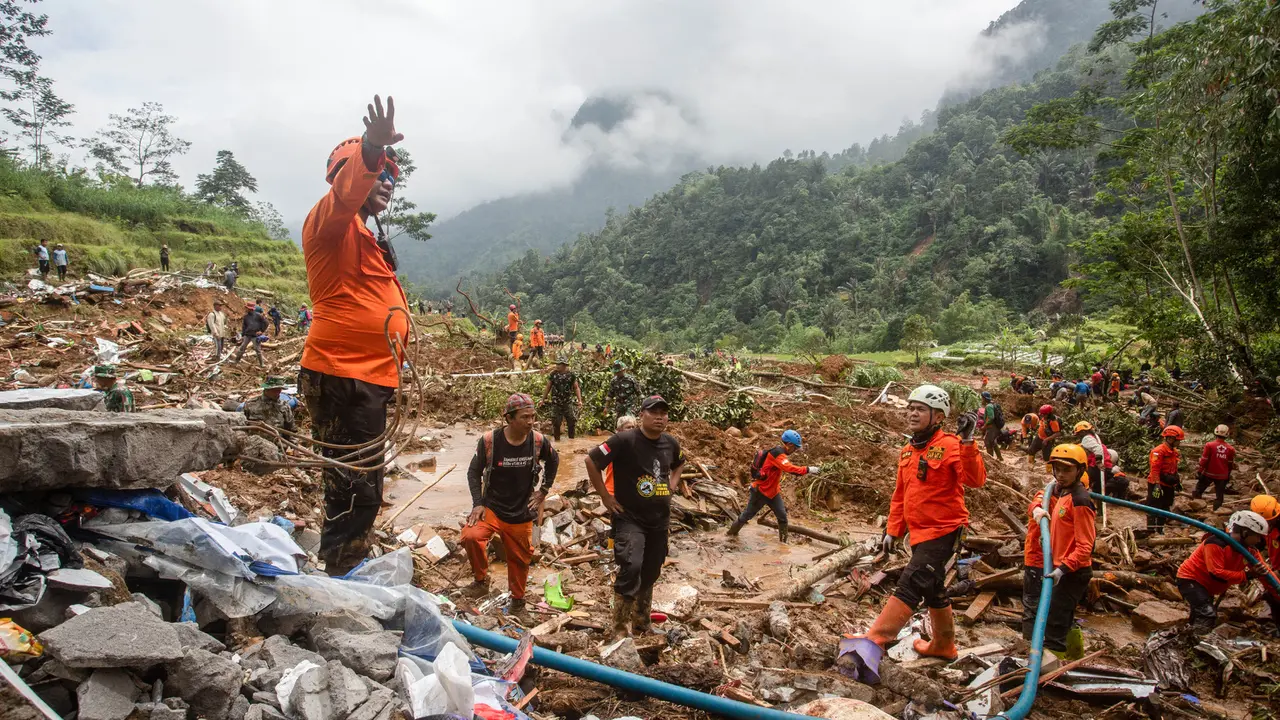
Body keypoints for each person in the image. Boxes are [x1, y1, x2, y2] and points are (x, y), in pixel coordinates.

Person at [298, 95, 410, 574]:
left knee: (361, 481)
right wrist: (370, 149)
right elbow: (347, 191)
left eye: (389, 176)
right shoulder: (329, 223)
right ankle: (342, 575)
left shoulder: (366, 235)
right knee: (353, 485)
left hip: (368, 377)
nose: (385, 182)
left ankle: (345, 564)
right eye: (377, 174)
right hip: (344, 374)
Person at [854, 385, 985, 667]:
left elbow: (975, 480)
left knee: (912, 582)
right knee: (934, 588)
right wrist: (893, 529)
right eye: (911, 408)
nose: (913, 413)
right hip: (919, 534)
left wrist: (968, 441)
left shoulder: (951, 445)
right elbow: (900, 495)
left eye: (920, 409)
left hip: (944, 531)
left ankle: (874, 639)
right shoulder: (907, 452)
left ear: (937, 416)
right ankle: (943, 645)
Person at [586, 395, 687, 638]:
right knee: (631, 566)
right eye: (654, 413)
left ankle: (642, 624)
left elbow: (680, 463)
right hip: (629, 517)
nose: (660, 418)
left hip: (659, 520)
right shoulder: (624, 440)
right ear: (642, 414)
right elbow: (591, 460)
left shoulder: (670, 443)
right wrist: (605, 497)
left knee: (651, 570)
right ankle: (619, 628)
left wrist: (672, 484)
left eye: (664, 413)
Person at [461, 393, 559, 618]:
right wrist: (477, 504)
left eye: (533, 416)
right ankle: (480, 581)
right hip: (493, 507)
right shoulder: (490, 441)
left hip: (523, 511)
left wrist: (543, 491)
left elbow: (554, 460)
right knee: (471, 536)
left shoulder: (538, 441)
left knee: (520, 558)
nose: (531, 421)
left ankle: (517, 602)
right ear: (509, 419)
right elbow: (473, 472)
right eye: (525, 417)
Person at [1022, 444, 1096, 661]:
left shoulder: (1080, 500)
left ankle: (1051, 671)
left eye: (1067, 470)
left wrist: (1063, 569)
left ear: (1080, 471)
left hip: (1072, 571)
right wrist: (1036, 509)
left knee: (1055, 623)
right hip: (1061, 567)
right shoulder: (1062, 492)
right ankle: (1075, 658)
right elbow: (1038, 499)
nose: (1061, 475)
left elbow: (1085, 546)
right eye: (1058, 469)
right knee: (1064, 616)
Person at [1176, 510, 1269, 633]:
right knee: (1207, 614)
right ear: (1245, 532)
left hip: (1209, 587)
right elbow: (1216, 573)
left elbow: (1265, 572)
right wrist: (1247, 575)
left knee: (1200, 613)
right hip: (1191, 580)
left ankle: (1188, 637)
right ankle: (1197, 645)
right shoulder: (1216, 543)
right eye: (1256, 536)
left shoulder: (1251, 551)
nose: (1258, 540)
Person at [727, 429, 818, 543]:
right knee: (746, 516)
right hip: (760, 492)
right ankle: (730, 536)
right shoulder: (777, 454)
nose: (795, 450)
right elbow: (789, 468)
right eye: (795, 448)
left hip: (773, 493)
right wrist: (809, 469)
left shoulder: (781, 453)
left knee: (782, 517)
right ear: (789, 445)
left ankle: (783, 543)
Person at [1145, 425, 1184, 534]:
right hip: (1157, 484)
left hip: (1168, 484)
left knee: (1165, 506)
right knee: (1153, 506)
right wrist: (1157, 485)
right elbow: (1155, 469)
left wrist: (1177, 482)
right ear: (1170, 439)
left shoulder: (1174, 452)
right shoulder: (1159, 451)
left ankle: (1160, 529)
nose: (1179, 443)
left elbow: (1174, 468)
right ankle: (1151, 530)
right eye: (1178, 440)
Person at [1250, 495, 1280, 636]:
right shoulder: (1266, 527)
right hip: (1277, 565)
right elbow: (1259, 542)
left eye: (1269, 521)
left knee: (1274, 594)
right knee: (1272, 595)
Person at [1193, 424, 1237, 510]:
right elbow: (1230, 463)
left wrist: (1200, 471)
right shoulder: (1230, 449)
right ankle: (1216, 512)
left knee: (1198, 490)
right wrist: (1228, 474)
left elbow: (1204, 460)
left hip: (1208, 473)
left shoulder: (1209, 445)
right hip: (1222, 475)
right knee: (1219, 495)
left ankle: (1195, 507)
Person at [541, 355, 582, 441]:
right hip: (556, 403)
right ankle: (557, 441)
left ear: (564, 365)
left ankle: (572, 441)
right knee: (556, 423)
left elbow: (576, 387)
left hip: (568, 402)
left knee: (571, 422)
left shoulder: (571, 375)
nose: (557, 366)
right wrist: (542, 399)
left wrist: (579, 400)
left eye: (559, 364)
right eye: (556, 364)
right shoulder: (553, 374)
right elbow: (548, 387)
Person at [601, 415, 637, 497]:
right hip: (613, 491)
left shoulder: (637, 444)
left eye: (633, 427)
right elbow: (592, 460)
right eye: (628, 427)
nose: (631, 430)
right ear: (619, 430)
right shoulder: (611, 444)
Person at [1073, 421, 1110, 492]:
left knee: (1083, 479)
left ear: (1083, 432)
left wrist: (1098, 462)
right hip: (1105, 465)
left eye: (1078, 434)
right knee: (1098, 489)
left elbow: (1098, 449)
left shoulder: (1087, 438)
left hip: (1096, 467)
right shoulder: (1094, 437)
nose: (1078, 436)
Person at [232, 302, 268, 367]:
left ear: (251, 309)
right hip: (247, 335)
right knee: (242, 348)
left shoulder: (258, 315)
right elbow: (244, 326)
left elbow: (266, 323)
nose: (246, 309)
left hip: (255, 335)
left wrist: (261, 331)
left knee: (257, 349)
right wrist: (243, 335)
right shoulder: (246, 317)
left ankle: (262, 364)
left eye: (247, 308)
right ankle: (236, 361)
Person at [981, 392, 1005, 462]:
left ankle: (990, 460)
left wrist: (984, 426)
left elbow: (991, 417)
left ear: (985, 398)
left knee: (988, 442)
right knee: (993, 442)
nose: (982, 399)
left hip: (992, 427)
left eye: (982, 398)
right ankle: (1000, 458)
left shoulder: (988, 406)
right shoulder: (993, 404)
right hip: (995, 427)